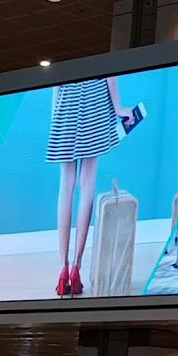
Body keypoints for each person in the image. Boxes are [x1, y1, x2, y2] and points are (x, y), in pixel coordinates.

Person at [46, 76, 132, 296]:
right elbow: (110, 74)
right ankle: (76, 267)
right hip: (95, 101)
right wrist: (119, 107)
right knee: (87, 185)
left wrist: (55, 113)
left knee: (65, 187)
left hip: (66, 100)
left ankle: (62, 268)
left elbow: (57, 80)